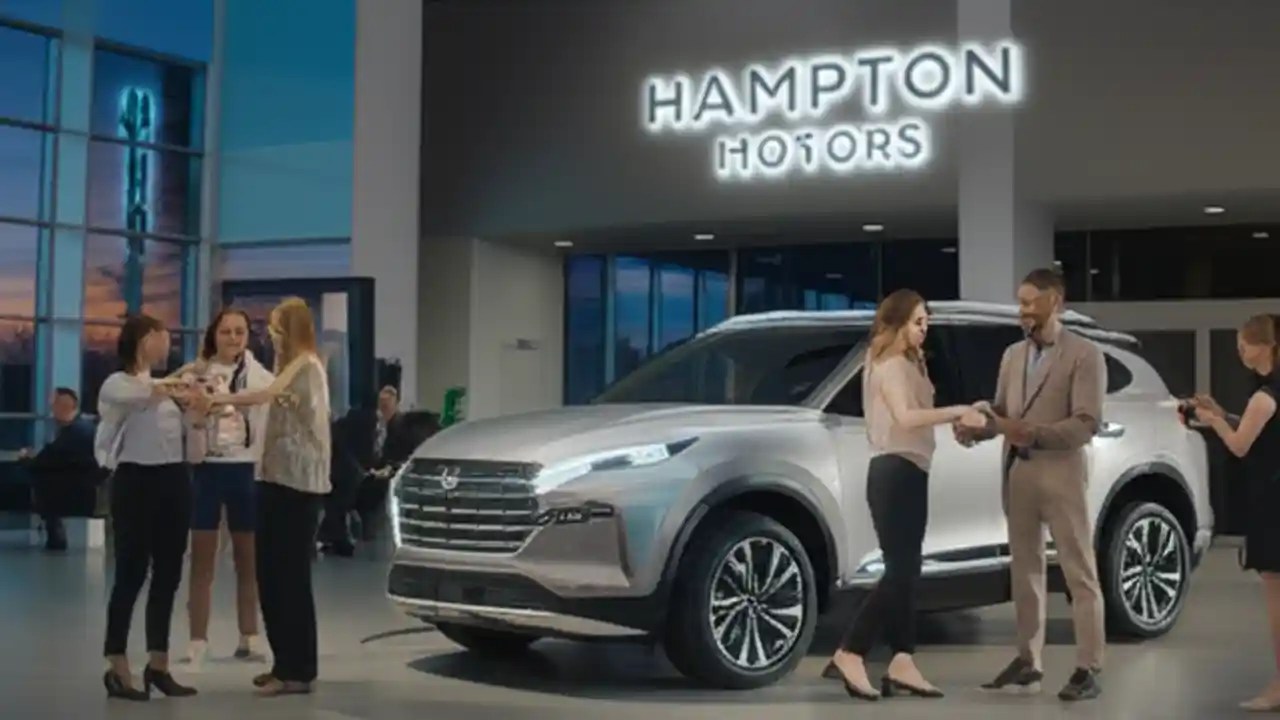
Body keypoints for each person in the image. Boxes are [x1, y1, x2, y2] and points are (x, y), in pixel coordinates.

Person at [828, 289, 988, 701]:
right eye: (918, 322)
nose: (924, 330)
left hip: (911, 472)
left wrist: (964, 420)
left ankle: (903, 661)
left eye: (926, 323)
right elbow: (906, 418)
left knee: (907, 571)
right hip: (894, 473)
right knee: (901, 570)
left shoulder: (910, 365)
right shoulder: (890, 364)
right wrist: (957, 410)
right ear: (897, 323)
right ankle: (851, 651)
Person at [956, 268, 1106, 701]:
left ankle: (1088, 666)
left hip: (1061, 472)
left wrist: (1029, 432)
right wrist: (978, 428)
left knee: (1080, 573)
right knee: (1025, 572)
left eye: (1029, 302)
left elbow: (1085, 423)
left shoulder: (1084, 354)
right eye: (1019, 302)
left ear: (1054, 301)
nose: (1022, 311)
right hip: (1018, 474)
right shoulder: (1012, 356)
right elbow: (1003, 410)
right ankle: (1029, 661)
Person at [210, 297, 331, 696]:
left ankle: (298, 669)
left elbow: (268, 397)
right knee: (272, 576)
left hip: (297, 486)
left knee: (290, 579)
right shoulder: (292, 368)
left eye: (276, 329)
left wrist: (219, 399)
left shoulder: (306, 368)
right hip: (276, 480)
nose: (271, 336)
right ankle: (286, 664)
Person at [98, 314, 210, 701]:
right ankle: (116, 662)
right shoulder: (119, 384)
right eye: (160, 337)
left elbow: (194, 450)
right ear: (142, 340)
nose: (166, 344)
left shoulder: (170, 392)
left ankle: (158, 663)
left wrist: (197, 416)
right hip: (135, 481)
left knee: (168, 573)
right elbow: (141, 394)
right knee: (130, 572)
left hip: (174, 481)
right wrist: (180, 383)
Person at [1190, 314, 1280, 711]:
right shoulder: (1266, 395)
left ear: (1266, 347)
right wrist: (1222, 414)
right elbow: (1256, 429)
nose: (1240, 352)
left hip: (1272, 504)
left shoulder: (1264, 395)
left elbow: (1241, 444)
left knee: (1276, 598)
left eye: (1245, 345)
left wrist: (1214, 423)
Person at [178, 308, 275, 669]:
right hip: (208, 470)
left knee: (247, 559)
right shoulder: (195, 372)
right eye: (226, 332)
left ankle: (248, 635)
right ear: (213, 335)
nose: (233, 338)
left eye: (239, 332)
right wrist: (198, 408)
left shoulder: (259, 375)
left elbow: (267, 400)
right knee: (202, 558)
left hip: (245, 470)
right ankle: (197, 639)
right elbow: (187, 417)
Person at [19, 388, 98, 550]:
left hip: (71, 487)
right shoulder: (83, 428)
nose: (51, 410)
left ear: (63, 406)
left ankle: (53, 533)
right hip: (79, 481)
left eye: (53, 405)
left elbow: (47, 460)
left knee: (29, 478)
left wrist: (26, 459)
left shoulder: (73, 433)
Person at [354, 385, 415, 539]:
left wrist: (388, 469)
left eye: (387, 404)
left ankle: (369, 533)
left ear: (396, 404)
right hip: (379, 468)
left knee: (369, 491)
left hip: (392, 471)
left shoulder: (402, 428)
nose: (384, 408)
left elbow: (403, 456)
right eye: (381, 404)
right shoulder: (377, 425)